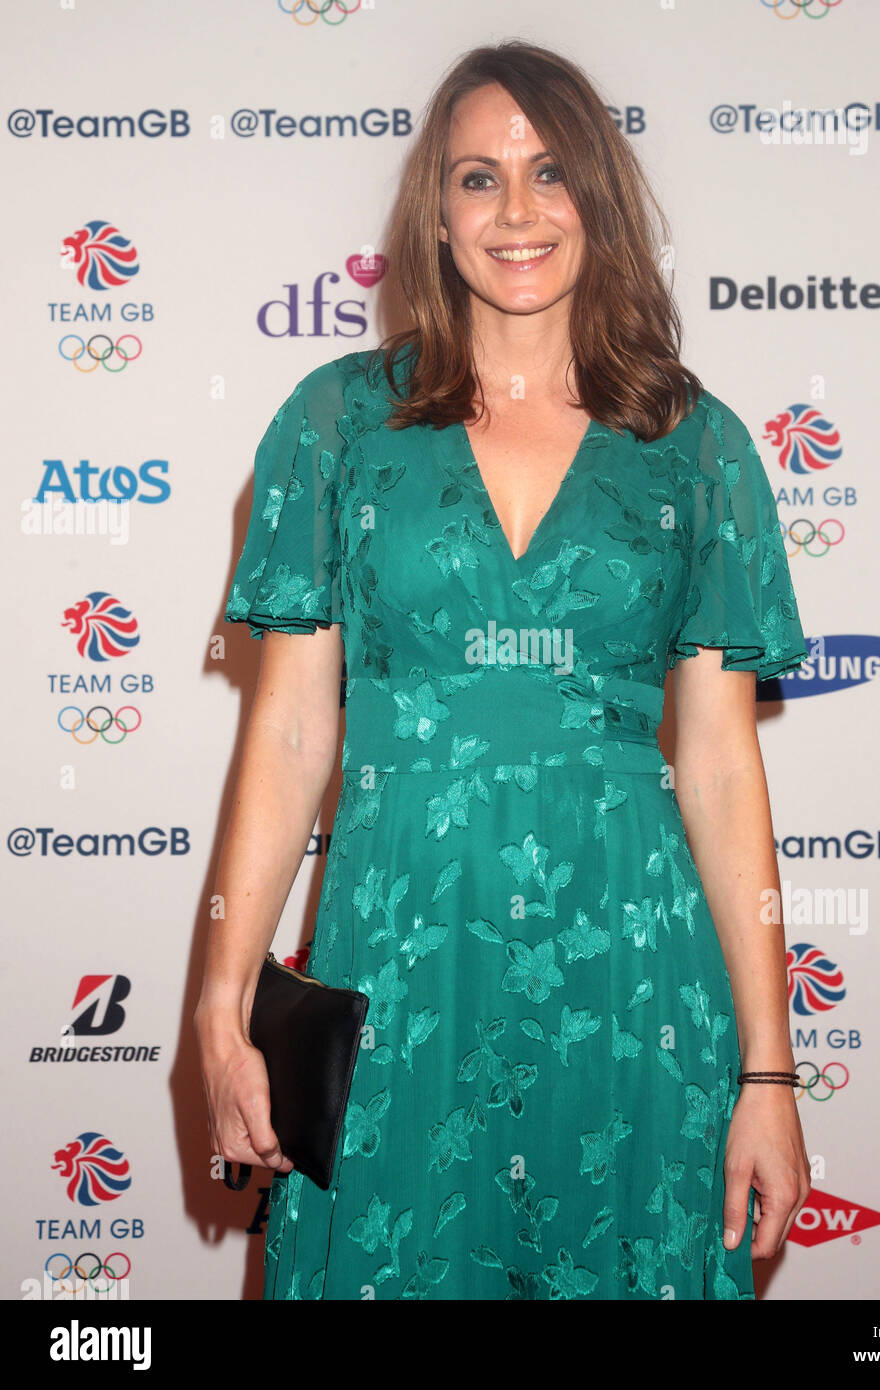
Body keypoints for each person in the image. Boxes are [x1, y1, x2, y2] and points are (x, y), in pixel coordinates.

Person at [195, 39, 812, 1301]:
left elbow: (719, 767)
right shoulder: (337, 424)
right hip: (401, 957)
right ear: (436, 207)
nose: (517, 212)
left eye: (550, 174)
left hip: (635, 974)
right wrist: (221, 1002)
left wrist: (768, 1072)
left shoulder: (694, 448)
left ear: (600, 196)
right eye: (480, 178)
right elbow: (294, 735)